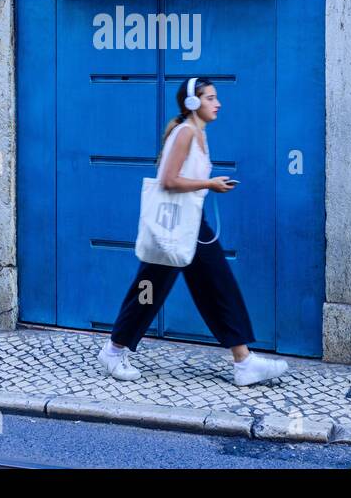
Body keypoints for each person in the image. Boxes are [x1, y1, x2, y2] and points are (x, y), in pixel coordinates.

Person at [97, 77, 289, 386]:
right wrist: (209, 184)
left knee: (218, 286)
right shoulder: (185, 133)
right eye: (210, 98)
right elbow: (168, 181)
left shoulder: (199, 134)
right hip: (174, 225)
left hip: (192, 223)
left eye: (215, 97)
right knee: (148, 290)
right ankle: (114, 350)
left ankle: (244, 361)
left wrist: (208, 187)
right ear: (192, 103)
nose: (218, 103)